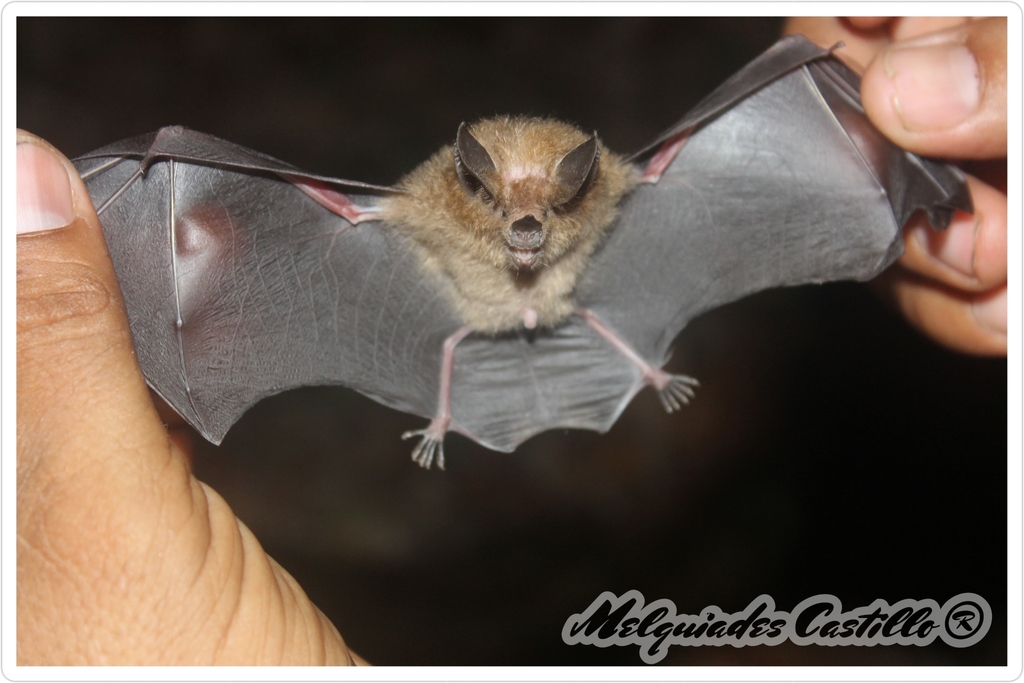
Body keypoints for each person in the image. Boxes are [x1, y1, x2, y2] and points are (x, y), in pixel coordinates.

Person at [16, 17, 1006, 664]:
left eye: (550, 200)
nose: (525, 224)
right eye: (503, 203)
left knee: (824, 95)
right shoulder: (388, 218)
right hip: (433, 461)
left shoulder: (628, 187)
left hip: (684, 546)